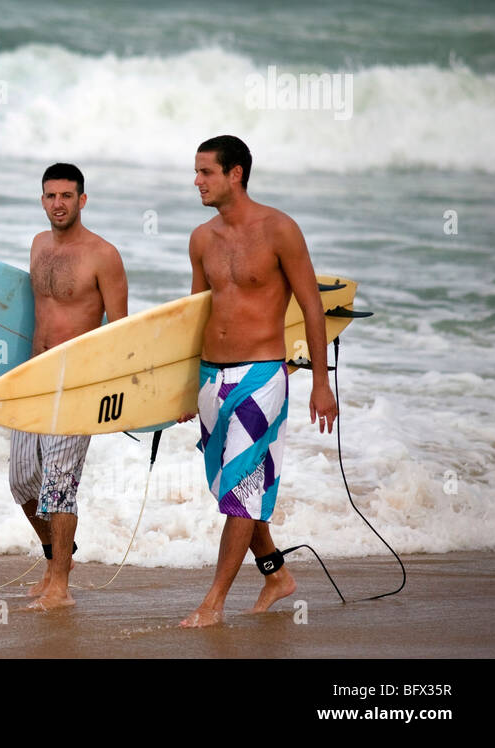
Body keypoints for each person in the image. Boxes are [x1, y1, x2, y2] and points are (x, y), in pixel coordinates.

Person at [179, 135, 338, 628]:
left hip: (262, 375)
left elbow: (312, 305)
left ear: (236, 174)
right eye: (197, 171)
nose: (198, 181)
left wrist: (320, 383)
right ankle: (276, 574)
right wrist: (184, 387)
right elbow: (193, 315)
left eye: (207, 172)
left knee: (244, 490)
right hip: (210, 375)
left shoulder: (279, 230)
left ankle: (213, 604)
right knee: (230, 488)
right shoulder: (201, 238)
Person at [13, 163, 127, 610]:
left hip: (77, 383)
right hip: (33, 378)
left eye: (66, 196)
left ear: (83, 200)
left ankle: (59, 586)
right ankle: (58, 559)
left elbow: (120, 331)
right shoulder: (38, 245)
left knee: (59, 485)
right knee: (23, 481)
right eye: (49, 196)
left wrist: (117, 394)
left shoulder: (103, 254)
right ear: (42, 200)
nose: (57, 204)